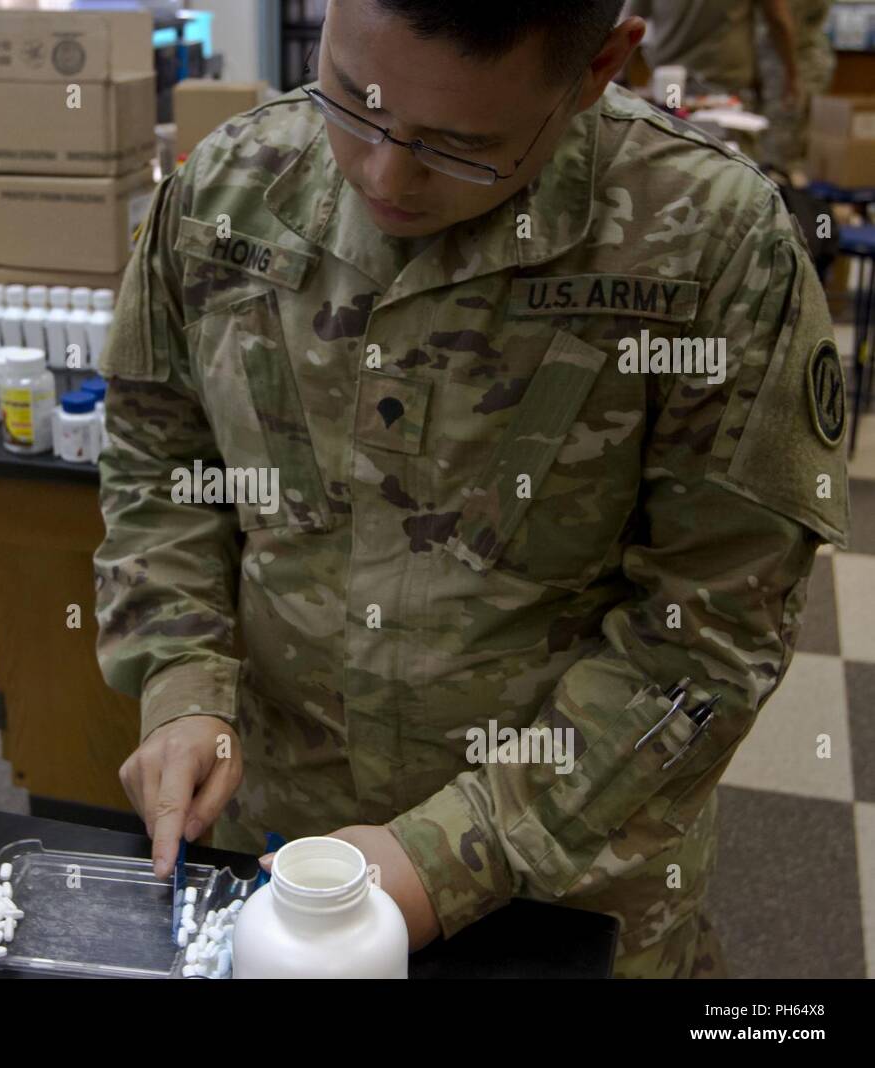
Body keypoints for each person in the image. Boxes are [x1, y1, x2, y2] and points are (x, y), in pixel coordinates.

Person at [93, 0, 849, 978]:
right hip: (286, 855)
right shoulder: (224, 193)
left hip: (563, 881)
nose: (383, 175)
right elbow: (160, 460)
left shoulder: (711, 249)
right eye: (351, 105)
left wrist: (446, 859)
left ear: (599, 69)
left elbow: (709, 635)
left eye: (460, 145)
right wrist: (182, 678)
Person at [624, 0, 798, 104]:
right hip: (723, 88)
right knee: (728, 158)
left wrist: (623, 81)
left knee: (669, 150)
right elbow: (778, 21)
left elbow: (630, 24)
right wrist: (792, 73)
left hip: (669, 86)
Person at [758, 0, 836, 174]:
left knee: (792, 147)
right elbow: (779, 19)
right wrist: (791, 73)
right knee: (782, 152)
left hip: (798, 61)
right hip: (788, 62)